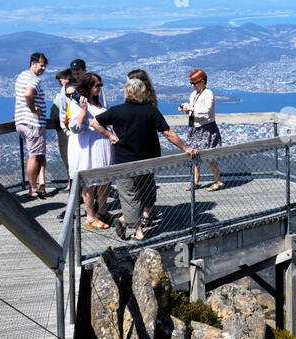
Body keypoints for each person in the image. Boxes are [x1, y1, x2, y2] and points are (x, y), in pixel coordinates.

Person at [97, 74, 197, 241]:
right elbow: (168, 133)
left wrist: (109, 135)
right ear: (142, 92)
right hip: (148, 160)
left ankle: (130, 225)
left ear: (127, 92)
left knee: (129, 196)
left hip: (124, 161)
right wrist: (185, 147)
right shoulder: (151, 111)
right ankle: (134, 227)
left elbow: (94, 122)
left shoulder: (117, 111)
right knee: (143, 193)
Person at [65, 72, 116, 230]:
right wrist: (83, 110)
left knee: (105, 180)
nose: (100, 88)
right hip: (87, 147)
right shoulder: (76, 104)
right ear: (88, 87)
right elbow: (75, 127)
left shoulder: (100, 101)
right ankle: (90, 216)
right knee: (90, 183)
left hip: (102, 145)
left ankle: (102, 210)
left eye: (101, 85)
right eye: (97, 85)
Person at [179, 68, 223, 190]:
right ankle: (196, 181)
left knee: (209, 156)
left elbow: (207, 110)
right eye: (191, 83)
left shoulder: (209, 94)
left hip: (207, 129)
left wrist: (191, 109)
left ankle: (218, 181)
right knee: (193, 155)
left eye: (194, 83)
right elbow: (194, 111)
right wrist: (185, 109)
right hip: (195, 128)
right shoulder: (193, 95)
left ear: (202, 81)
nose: (192, 86)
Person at [15, 51, 49, 199]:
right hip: (33, 123)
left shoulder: (21, 76)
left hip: (21, 122)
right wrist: (34, 110)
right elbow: (28, 94)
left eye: (45, 66)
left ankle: (40, 184)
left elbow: (18, 99)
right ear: (33, 64)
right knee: (34, 156)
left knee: (37, 154)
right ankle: (33, 188)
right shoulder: (33, 79)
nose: (43, 69)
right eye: (41, 65)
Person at [47, 68, 73, 182]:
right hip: (72, 130)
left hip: (64, 132)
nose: (59, 84)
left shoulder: (60, 97)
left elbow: (54, 115)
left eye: (61, 81)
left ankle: (71, 182)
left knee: (67, 158)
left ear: (67, 80)